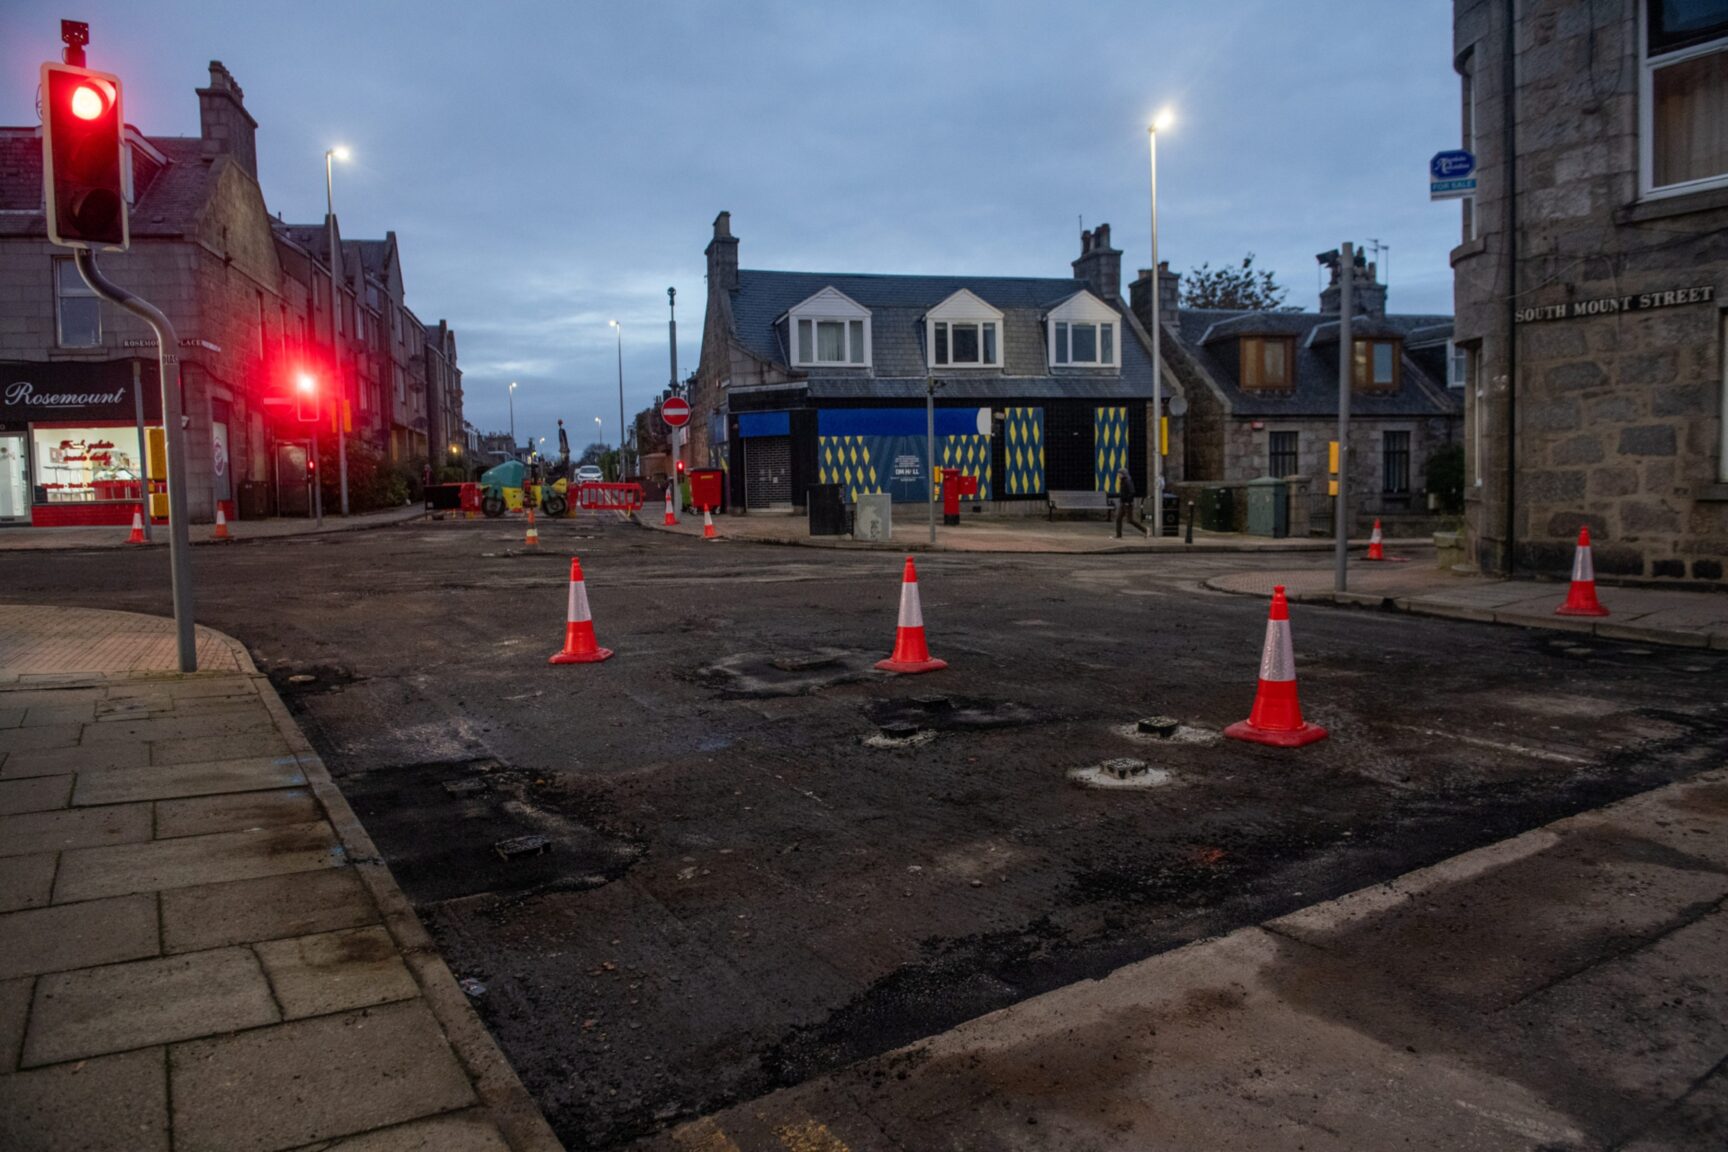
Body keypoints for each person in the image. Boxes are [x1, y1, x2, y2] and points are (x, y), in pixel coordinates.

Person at [1114, 464, 1146, 538]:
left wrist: (1128, 502)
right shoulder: (1122, 481)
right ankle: (1118, 535)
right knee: (1118, 519)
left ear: (1123, 474)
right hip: (1123, 503)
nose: (1118, 475)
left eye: (1119, 473)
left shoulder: (1128, 481)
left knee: (1130, 520)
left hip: (1128, 504)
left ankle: (1145, 530)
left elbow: (1132, 492)